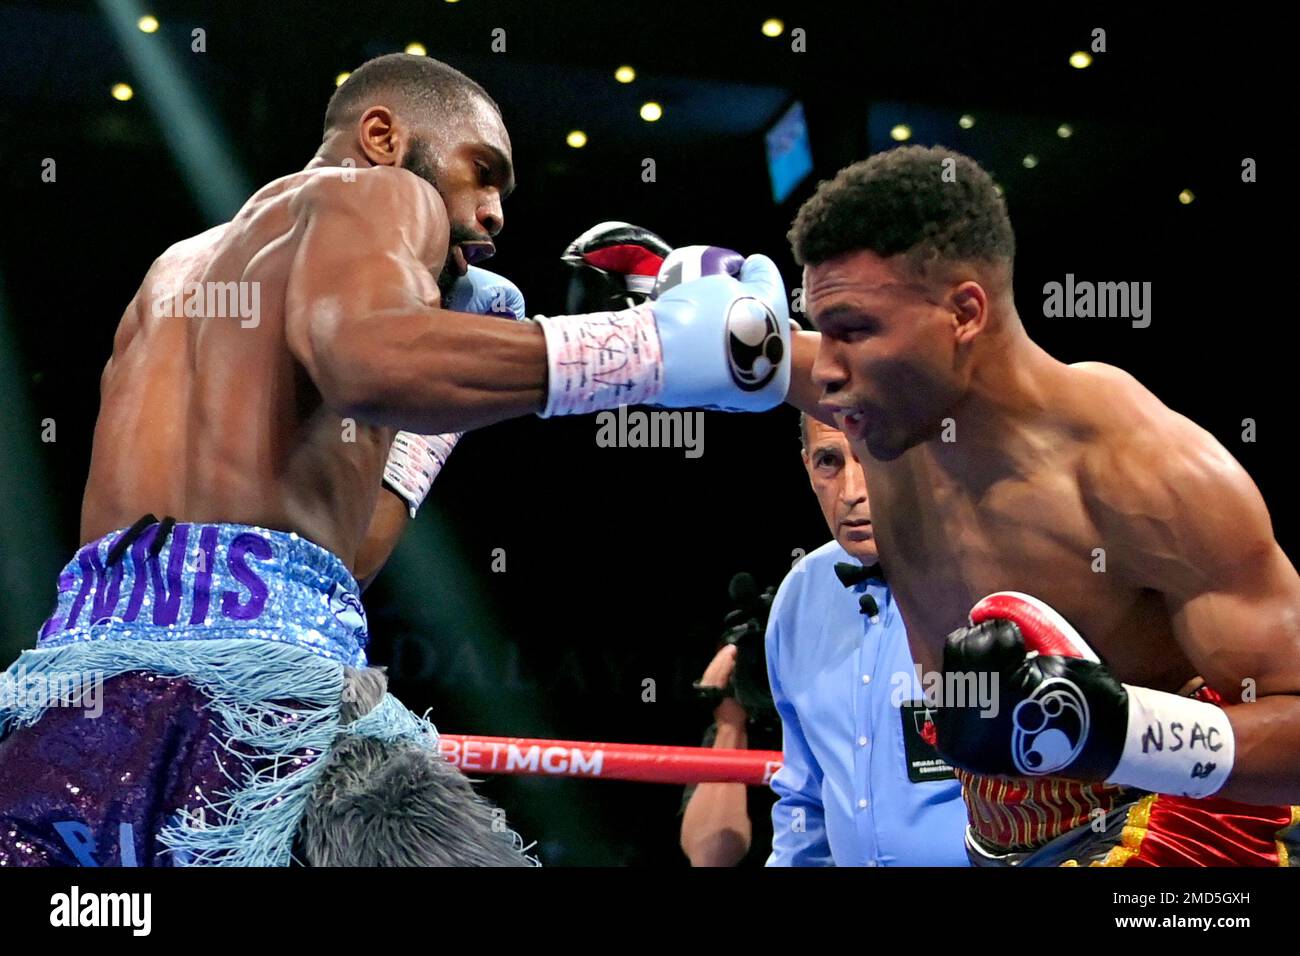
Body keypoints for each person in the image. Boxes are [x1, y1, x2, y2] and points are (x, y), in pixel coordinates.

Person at [0, 52, 801, 867]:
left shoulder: (174, 271)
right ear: (381, 135)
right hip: (259, 713)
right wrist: (657, 347)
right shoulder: (379, 191)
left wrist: (430, 428)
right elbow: (371, 361)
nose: (492, 215)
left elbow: (331, 565)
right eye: (482, 174)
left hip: (72, 710)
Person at [793, 145, 1300, 865]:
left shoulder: (1144, 470)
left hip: (1174, 836)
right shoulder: (878, 410)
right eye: (819, 329)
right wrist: (615, 343)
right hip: (1002, 840)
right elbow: (723, 351)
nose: (828, 369)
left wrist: (1119, 730)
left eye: (852, 330)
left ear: (964, 313)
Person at [764, 413, 968, 866]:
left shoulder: (991, 582)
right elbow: (805, 797)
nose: (853, 491)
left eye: (871, 457)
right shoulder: (799, 597)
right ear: (807, 468)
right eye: (829, 462)